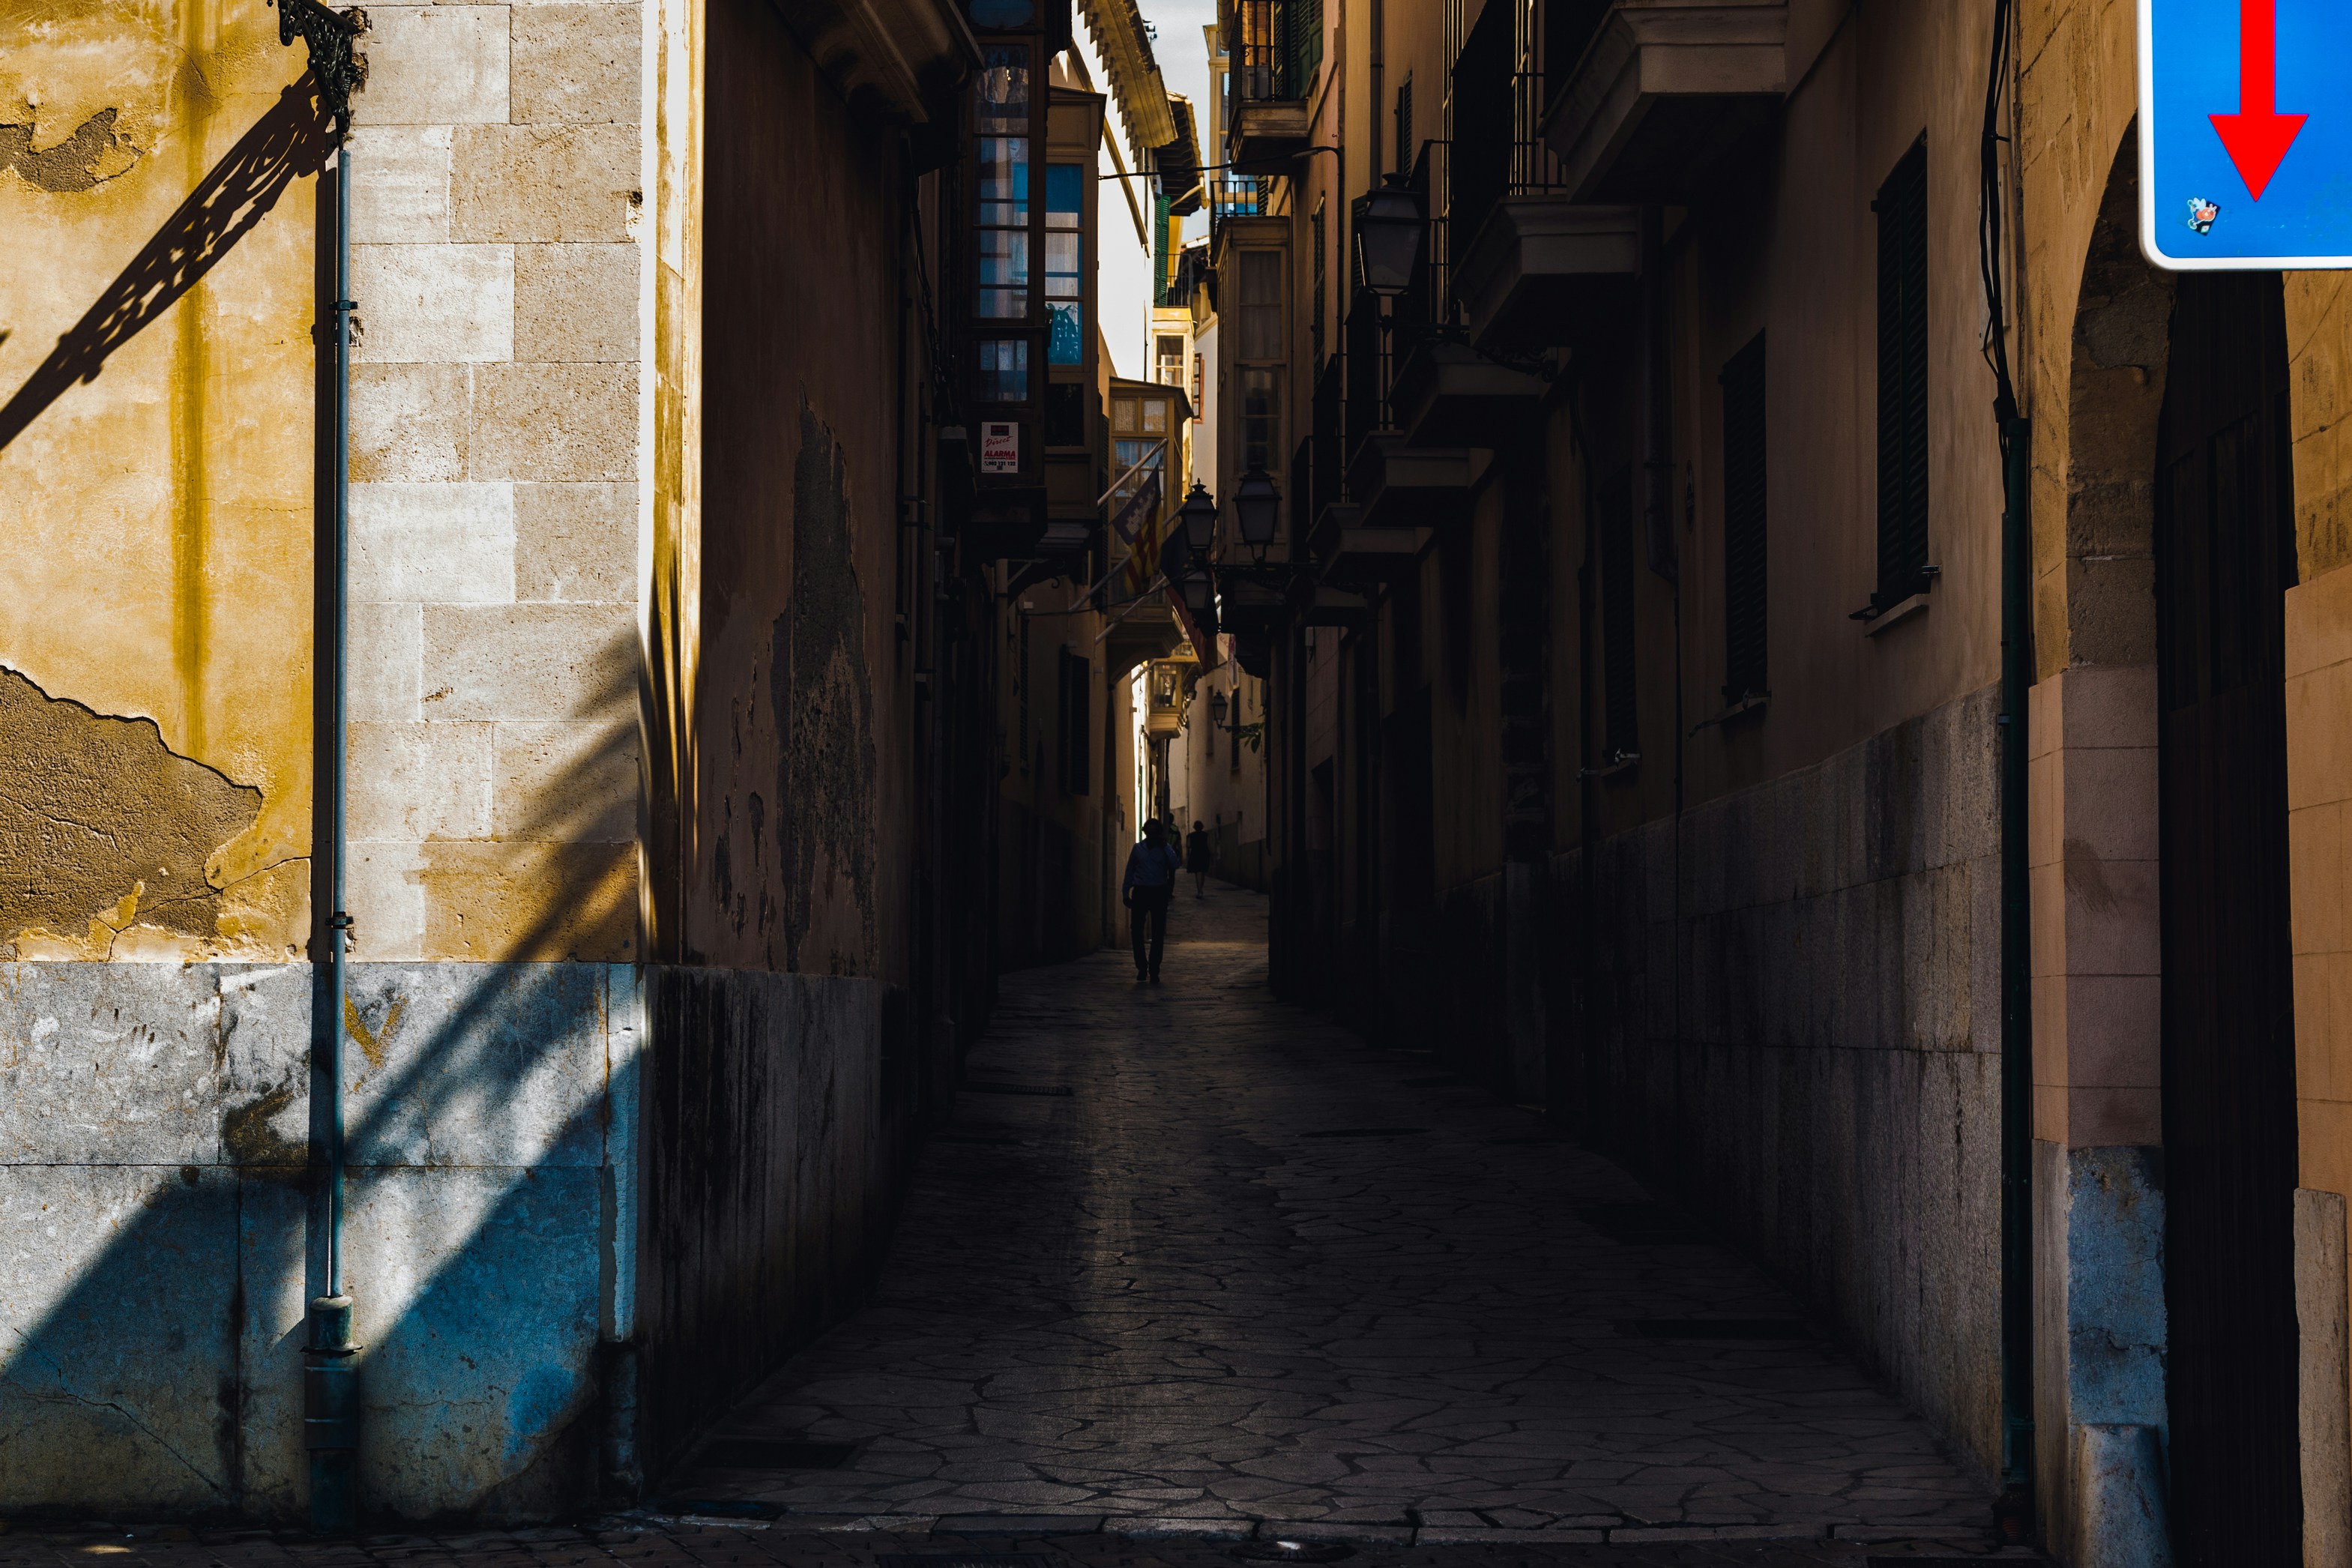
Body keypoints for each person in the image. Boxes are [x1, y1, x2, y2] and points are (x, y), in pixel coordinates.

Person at [1121, 819, 1182, 983]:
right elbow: (1130, 871)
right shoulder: (1137, 849)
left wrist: (1166, 847)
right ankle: (1141, 966)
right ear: (1145, 832)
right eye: (1150, 832)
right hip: (1141, 891)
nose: (1152, 835)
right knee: (1136, 930)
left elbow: (1175, 864)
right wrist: (1126, 892)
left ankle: (1154, 968)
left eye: (1155, 832)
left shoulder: (1165, 849)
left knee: (1157, 932)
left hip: (1158, 892)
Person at [1186, 820, 1212, 899]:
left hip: (1195, 854)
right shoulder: (1206, 835)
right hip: (1204, 854)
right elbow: (1209, 845)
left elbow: (1188, 845)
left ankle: (1199, 891)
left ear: (1194, 827)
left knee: (1198, 873)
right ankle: (1201, 890)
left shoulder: (1191, 835)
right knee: (1202, 872)